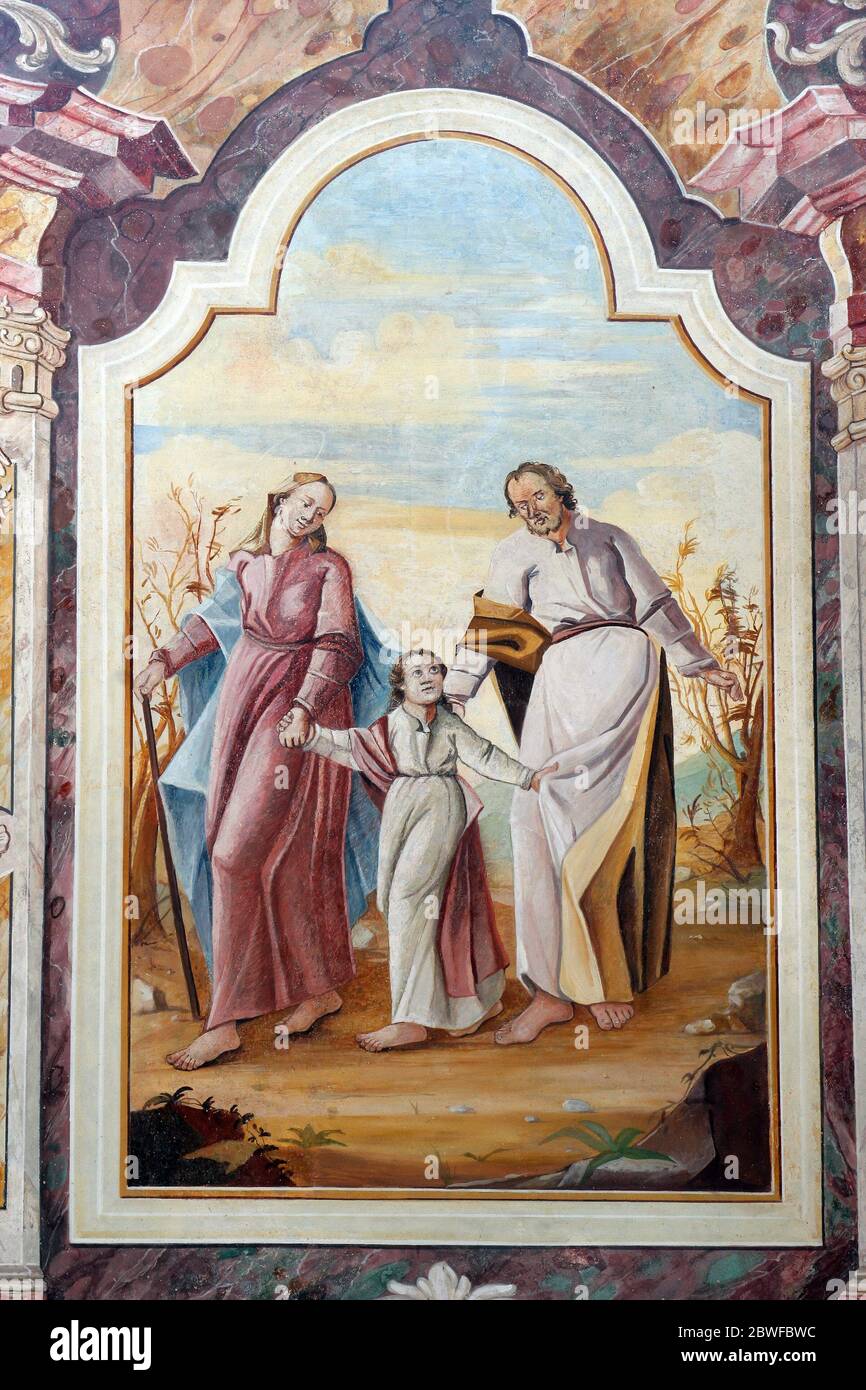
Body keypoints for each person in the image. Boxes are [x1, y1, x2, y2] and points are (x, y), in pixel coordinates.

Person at [444, 462, 743, 1044]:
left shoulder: (608, 536)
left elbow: (655, 605)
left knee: (602, 826)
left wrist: (700, 664)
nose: (531, 508)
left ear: (560, 492)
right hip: (558, 683)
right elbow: (493, 629)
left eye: (538, 495)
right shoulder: (512, 553)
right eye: (519, 502)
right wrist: (456, 692)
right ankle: (550, 993)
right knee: (533, 819)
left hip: (623, 678)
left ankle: (602, 979)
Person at [134, 472, 371, 1069]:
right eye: (304, 502)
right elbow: (211, 625)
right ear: (281, 500)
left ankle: (226, 1022)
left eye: (321, 511)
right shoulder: (244, 565)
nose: (310, 515)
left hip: (298, 709)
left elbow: (341, 644)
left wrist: (305, 706)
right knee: (270, 854)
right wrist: (162, 661)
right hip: (245, 701)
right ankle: (319, 988)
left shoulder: (328, 569)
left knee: (235, 854)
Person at [284, 649, 555, 1051]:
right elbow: (351, 747)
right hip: (403, 808)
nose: (428, 677)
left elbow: (484, 755)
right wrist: (311, 737)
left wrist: (528, 777)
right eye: (417, 672)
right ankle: (467, 1004)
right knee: (400, 902)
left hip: (441, 806)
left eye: (434, 670)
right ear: (401, 685)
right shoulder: (389, 726)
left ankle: (410, 1020)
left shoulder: (448, 724)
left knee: (410, 902)